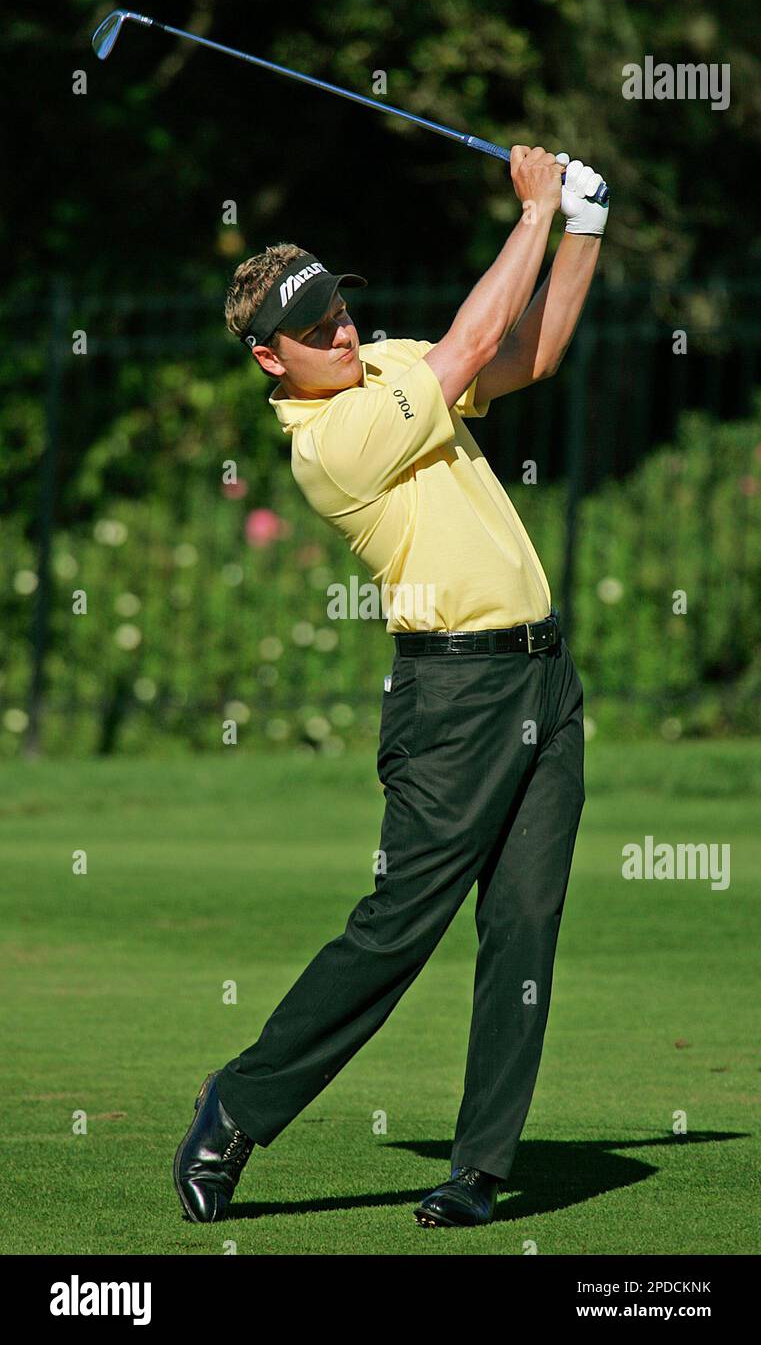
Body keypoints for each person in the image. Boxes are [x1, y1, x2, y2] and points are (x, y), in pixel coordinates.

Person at [173, 147, 608, 1228]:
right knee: (397, 926)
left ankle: (476, 1166)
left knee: (522, 924)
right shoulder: (330, 443)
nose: (337, 331)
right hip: (452, 703)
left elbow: (526, 354)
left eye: (336, 308)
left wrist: (583, 229)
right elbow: (466, 346)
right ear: (270, 360)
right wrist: (534, 210)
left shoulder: (383, 369)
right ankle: (237, 1106)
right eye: (311, 326)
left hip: (543, 681)